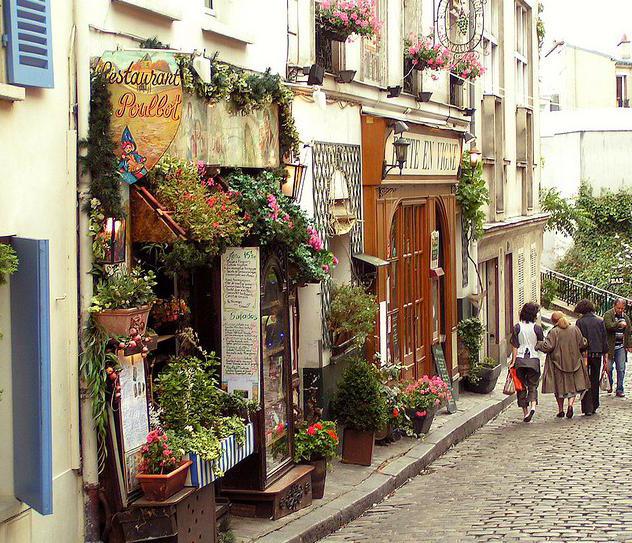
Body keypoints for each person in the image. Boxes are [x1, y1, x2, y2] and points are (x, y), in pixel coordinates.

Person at [537, 311, 589, 419]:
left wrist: (539, 345)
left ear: (553, 321)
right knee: (572, 387)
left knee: (559, 388)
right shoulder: (574, 329)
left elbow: (548, 347)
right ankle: (570, 405)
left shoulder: (554, 331)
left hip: (558, 364)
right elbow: (582, 343)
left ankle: (561, 410)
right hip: (574, 363)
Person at [510, 303, 544, 423]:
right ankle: (533, 406)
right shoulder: (537, 328)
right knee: (533, 385)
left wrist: (513, 361)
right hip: (533, 359)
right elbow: (541, 344)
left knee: (521, 387)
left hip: (520, 359)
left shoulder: (517, 327)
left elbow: (515, 345)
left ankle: (525, 412)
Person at [574, 299, 609, 415]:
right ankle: (594, 404)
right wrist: (605, 356)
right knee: (594, 379)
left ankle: (587, 406)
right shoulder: (600, 321)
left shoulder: (580, 322)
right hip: (597, 354)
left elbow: (578, 340)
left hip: (584, 354)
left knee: (585, 380)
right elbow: (604, 339)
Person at [604, 298, 632, 397]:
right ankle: (610, 384)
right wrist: (619, 324)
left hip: (620, 346)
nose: (620, 310)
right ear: (614, 306)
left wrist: (629, 345)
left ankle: (620, 389)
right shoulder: (608, 314)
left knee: (621, 368)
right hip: (610, 347)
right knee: (608, 368)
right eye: (618, 308)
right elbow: (609, 326)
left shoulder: (626, 318)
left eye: (622, 308)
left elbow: (628, 333)